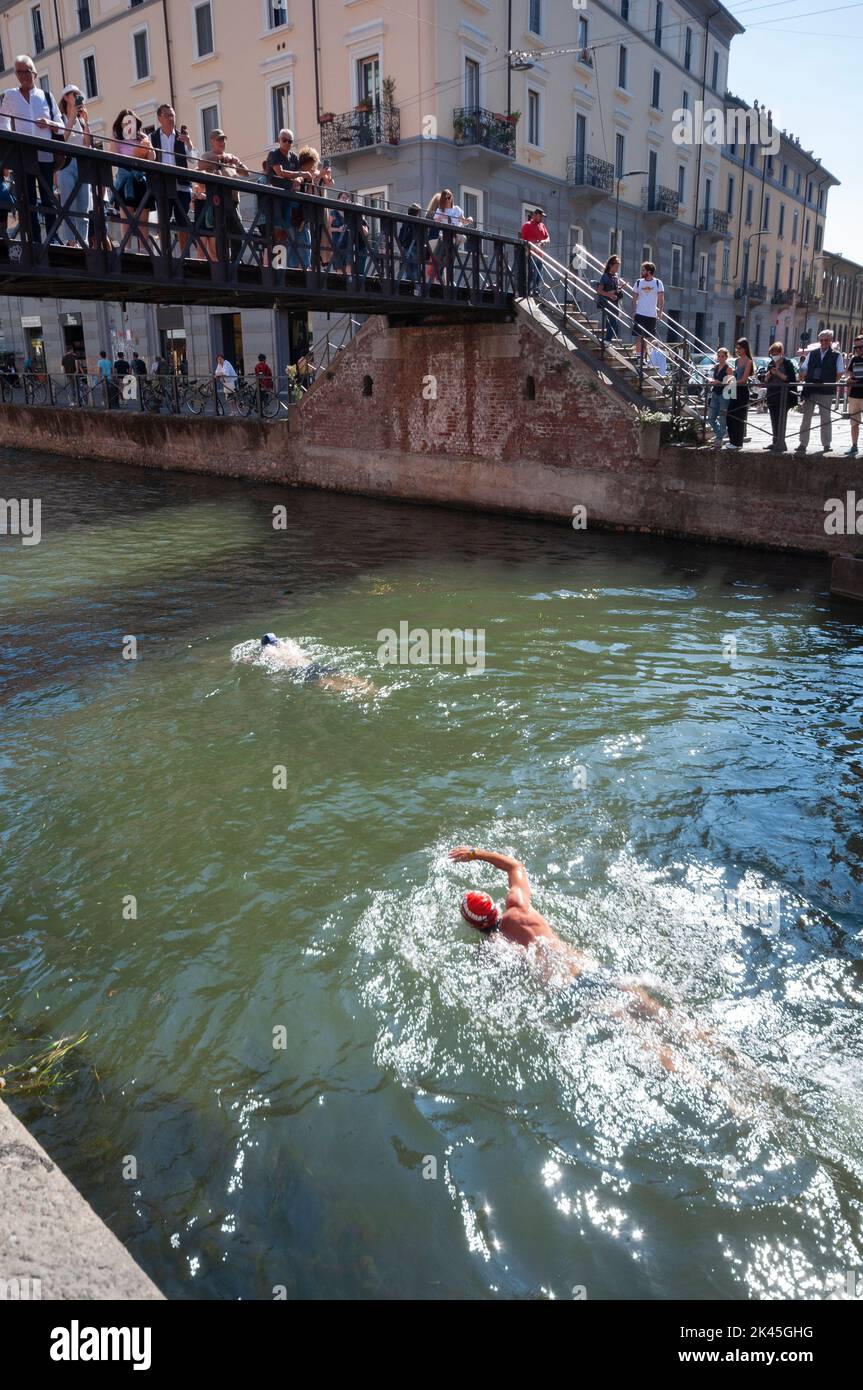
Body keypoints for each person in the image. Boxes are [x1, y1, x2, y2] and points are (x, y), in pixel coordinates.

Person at [0, 55, 62, 243]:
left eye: (26, 71)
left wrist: (49, 123)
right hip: (23, 157)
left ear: (34, 73)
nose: (23, 75)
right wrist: (13, 140)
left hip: (45, 156)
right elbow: (2, 121)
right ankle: (34, 240)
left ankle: (52, 238)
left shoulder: (47, 97)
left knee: (48, 199)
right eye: (19, 72)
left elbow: (60, 124)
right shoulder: (10, 95)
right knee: (28, 201)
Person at [239, 633, 373, 694]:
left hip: (298, 669)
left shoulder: (267, 651)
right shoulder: (287, 645)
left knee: (326, 683)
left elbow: (250, 660)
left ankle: (356, 695)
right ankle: (367, 687)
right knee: (337, 673)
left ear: (264, 644)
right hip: (310, 663)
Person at [196, 128, 251, 263]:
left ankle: (235, 261)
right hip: (217, 202)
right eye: (219, 140)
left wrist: (236, 163)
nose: (222, 142)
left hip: (233, 201)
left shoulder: (231, 156)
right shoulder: (208, 155)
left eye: (223, 140)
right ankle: (223, 263)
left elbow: (246, 173)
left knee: (238, 232)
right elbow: (200, 165)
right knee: (221, 233)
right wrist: (218, 159)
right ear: (212, 141)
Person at [150, 104, 195, 257]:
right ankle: (166, 257)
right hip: (162, 186)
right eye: (167, 115)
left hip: (182, 185)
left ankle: (185, 257)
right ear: (159, 118)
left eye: (172, 115)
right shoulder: (152, 137)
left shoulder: (181, 137)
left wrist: (188, 142)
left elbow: (194, 160)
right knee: (164, 222)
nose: (171, 118)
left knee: (183, 222)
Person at [111, 109, 154, 251]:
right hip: (126, 181)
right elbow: (112, 158)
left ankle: (145, 252)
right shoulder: (117, 140)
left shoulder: (142, 138)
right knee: (126, 220)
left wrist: (147, 145)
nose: (129, 125)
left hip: (141, 180)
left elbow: (153, 158)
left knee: (143, 221)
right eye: (126, 123)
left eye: (131, 122)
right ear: (121, 125)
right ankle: (127, 250)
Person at [795, 330, 845, 455]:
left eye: (826, 340)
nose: (823, 342)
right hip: (811, 388)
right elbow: (804, 369)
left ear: (830, 341)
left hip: (826, 390)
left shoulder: (836, 355)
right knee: (806, 417)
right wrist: (803, 375)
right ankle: (803, 443)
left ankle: (826, 444)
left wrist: (828, 380)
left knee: (825, 417)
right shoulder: (812, 354)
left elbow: (839, 373)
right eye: (822, 340)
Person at [56, 85, 93, 247]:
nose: (78, 97)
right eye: (74, 94)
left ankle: (82, 241)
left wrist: (86, 123)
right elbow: (62, 139)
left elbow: (87, 144)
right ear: (66, 97)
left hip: (82, 163)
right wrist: (71, 117)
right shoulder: (60, 117)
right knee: (68, 204)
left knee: (84, 206)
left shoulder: (81, 119)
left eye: (79, 94)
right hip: (67, 163)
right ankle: (71, 241)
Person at [265, 128, 299, 245]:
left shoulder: (294, 157)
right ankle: (274, 258)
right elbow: (280, 172)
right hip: (276, 196)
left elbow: (300, 175)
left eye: (290, 141)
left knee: (286, 227)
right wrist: (299, 175)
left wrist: (298, 180)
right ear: (279, 140)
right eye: (284, 140)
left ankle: (281, 259)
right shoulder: (274, 154)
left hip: (288, 195)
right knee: (277, 227)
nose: (287, 143)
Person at [762, 341, 797, 453]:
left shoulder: (788, 363)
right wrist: (767, 376)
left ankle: (781, 443)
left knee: (781, 419)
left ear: (781, 352)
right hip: (772, 394)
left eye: (775, 353)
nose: (774, 355)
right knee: (773, 419)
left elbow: (791, 379)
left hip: (784, 396)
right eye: (772, 353)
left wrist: (778, 374)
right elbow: (766, 381)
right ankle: (775, 441)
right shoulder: (771, 363)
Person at [630, 261, 665, 362]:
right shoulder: (638, 282)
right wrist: (633, 311)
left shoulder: (658, 283)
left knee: (646, 337)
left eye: (644, 270)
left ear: (649, 271)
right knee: (639, 336)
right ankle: (638, 356)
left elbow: (661, 298)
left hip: (651, 314)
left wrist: (660, 311)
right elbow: (634, 298)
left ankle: (643, 356)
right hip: (640, 313)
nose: (642, 271)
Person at [723, 338, 754, 451]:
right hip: (734, 389)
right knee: (730, 415)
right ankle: (732, 441)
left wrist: (732, 381)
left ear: (745, 349)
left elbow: (744, 379)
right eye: (736, 348)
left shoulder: (748, 361)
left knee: (739, 417)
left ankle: (737, 442)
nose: (737, 350)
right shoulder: (737, 361)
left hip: (741, 391)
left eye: (739, 348)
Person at [706, 346, 733, 447]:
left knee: (722, 417)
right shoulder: (716, 367)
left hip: (724, 394)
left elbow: (730, 383)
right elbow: (715, 378)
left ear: (726, 357)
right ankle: (720, 433)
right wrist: (713, 381)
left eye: (722, 356)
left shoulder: (728, 368)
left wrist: (720, 382)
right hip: (715, 393)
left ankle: (719, 438)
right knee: (711, 417)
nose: (720, 358)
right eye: (719, 356)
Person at [520, 207, 550, 296]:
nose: (542, 218)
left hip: (540, 254)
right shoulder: (527, 225)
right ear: (535, 215)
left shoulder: (542, 226)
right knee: (532, 273)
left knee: (539, 274)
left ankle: (536, 291)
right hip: (531, 253)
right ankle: (530, 291)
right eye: (540, 216)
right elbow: (522, 240)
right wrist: (528, 247)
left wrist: (544, 241)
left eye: (542, 217)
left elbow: (548, 238)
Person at [843, 334, 863, 457]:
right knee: (854, 423)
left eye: (861, 347)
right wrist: (849, 380)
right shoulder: (854, 360)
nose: (859, 350)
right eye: (856, 348)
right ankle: (854, 446)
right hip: (854, 395)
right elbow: (849, 374)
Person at [595, 254, 622, 342]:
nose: (617, 269)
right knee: (613, 321)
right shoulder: (605, 276)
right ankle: (607, 340)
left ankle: (608, 339)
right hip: (607, 302)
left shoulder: (616, 276)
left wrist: (620, 289)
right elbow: (599, 290)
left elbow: (614, 289)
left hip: (615, 302)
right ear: (611, 265)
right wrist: (610, 295)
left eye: (618, 267)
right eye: (616, 266)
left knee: (615, 321)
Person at [397, 202, 422, 282]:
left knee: (406, 268)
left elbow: (401, 234)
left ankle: (407, 284)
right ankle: (414, 286)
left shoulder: (405, 221)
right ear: (417, 213)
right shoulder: (418, 222)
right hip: (414, 247)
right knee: (414, 269)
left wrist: (401, 245)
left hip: (405, 247)